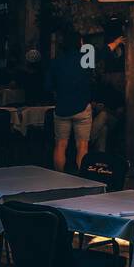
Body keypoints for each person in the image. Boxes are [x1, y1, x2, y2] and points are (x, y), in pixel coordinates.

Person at [46, 29, 94, 172]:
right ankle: (80, 178)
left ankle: (59, 178)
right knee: (82, 145)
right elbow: (105, 51)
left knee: (61, 145)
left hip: (62, 108)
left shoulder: (56, 62)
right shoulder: (86, 60)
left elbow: (48, 86)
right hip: (82, 107)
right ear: (80, 43)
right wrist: (116, 42)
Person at [90, 19, 127, 154]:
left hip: (111, 118)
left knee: (105, 116)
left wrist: (105, 109)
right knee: (103, 130)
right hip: (98, 122)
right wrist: (94, 107)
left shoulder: (114, 90)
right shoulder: (97, 86)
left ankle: (86, 142)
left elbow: (120, 112)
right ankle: (100, 158)